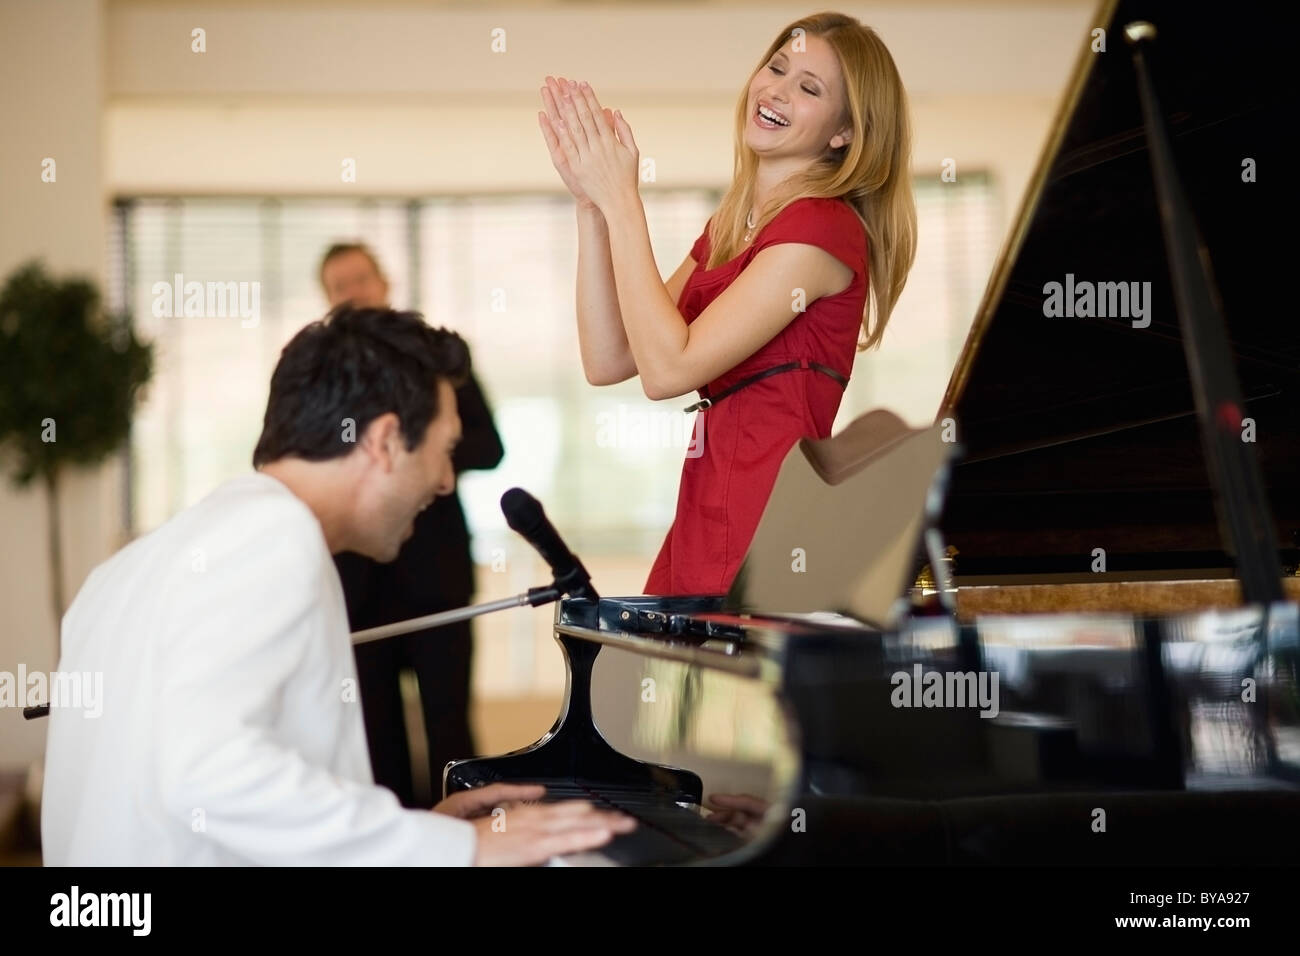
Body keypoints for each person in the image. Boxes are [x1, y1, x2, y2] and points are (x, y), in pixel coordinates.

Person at [41, 306, 633, 865]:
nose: (448, 482)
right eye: (444, 450)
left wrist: (421, 831)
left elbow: (197, 791)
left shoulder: (131, 567)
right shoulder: (273, 539)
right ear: (382, 440)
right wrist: (461, 852)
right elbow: (205, 770)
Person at [537, 12, 917, 595]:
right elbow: (610, 359)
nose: (777, 90)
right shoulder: (732, 226)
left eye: (809, 88)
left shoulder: (822, 229)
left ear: (844, 133)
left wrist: (623, 202)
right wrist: (593, 207)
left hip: (763, 519)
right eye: (777, 67)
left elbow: (667, 371)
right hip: (707, 502)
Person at [319, 242, 503, 808]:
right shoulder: (324, 373)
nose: (353, 293)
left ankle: (466, 841)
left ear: (385, 281)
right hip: (359, 581)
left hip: (436, 574)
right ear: (327, 300)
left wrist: (410, 453)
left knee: (449, 724)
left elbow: (488, 446)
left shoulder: (435, 356)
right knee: (376, 733)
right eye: (338, 286)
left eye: (360, 280)